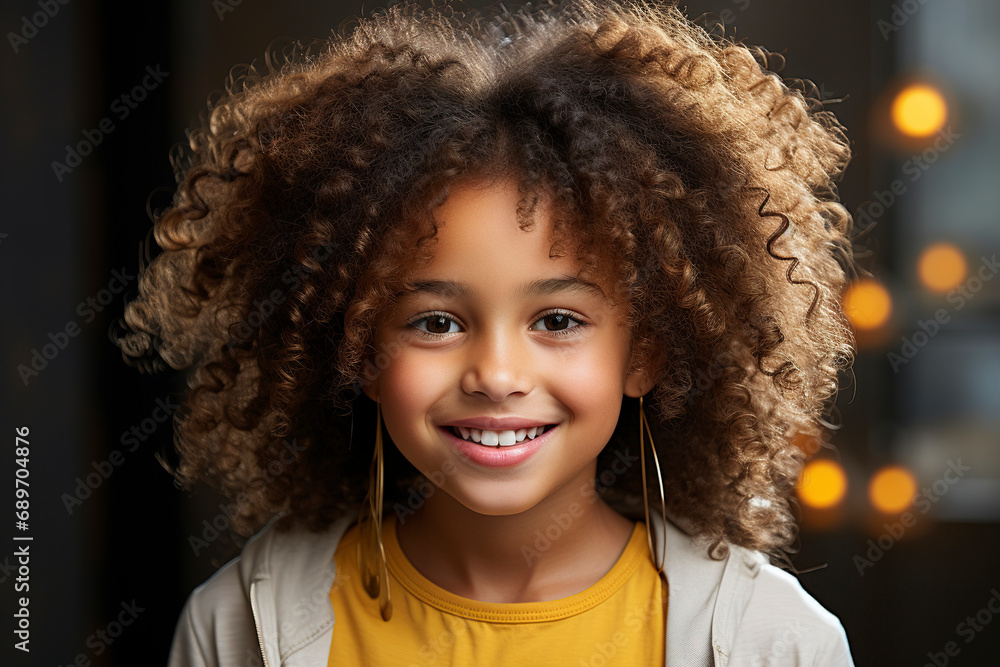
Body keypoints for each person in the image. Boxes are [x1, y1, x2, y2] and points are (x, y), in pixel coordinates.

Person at [115, 0, 858, 664]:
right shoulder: (240, 625)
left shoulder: (777, 643)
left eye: (558, 320)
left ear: (647, 352)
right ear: (360, 352)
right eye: (436, 321)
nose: (497, 373)